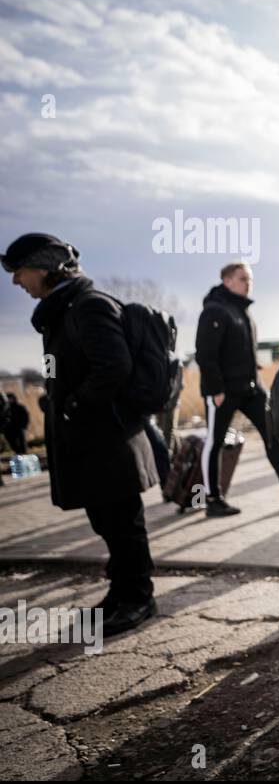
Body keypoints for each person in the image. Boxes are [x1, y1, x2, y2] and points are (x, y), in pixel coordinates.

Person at [4, 233, 160, 635]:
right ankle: (120, 592)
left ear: (42, 268)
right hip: (92, 439)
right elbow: (62, 366)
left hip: (110, 438)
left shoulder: (88, 307)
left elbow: (113, 366)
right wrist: (52, 397)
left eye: (18, 272)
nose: (16, 282)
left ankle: (139, 598)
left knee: (123, 523)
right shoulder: (63, 312)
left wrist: (73, 404)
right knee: (106, 520)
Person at [195, 261, 279, 517]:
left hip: (250, 388)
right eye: (243, 278)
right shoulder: (214, 310)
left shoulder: (242, 310)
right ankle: (212, 499)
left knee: (271, 435)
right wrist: (216, 390)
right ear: (227, 281)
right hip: (224, 391)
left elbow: (238, 347)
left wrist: (251, 365)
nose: (249, 283)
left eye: (250, 279)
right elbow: (206, 354)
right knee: (215, 442)